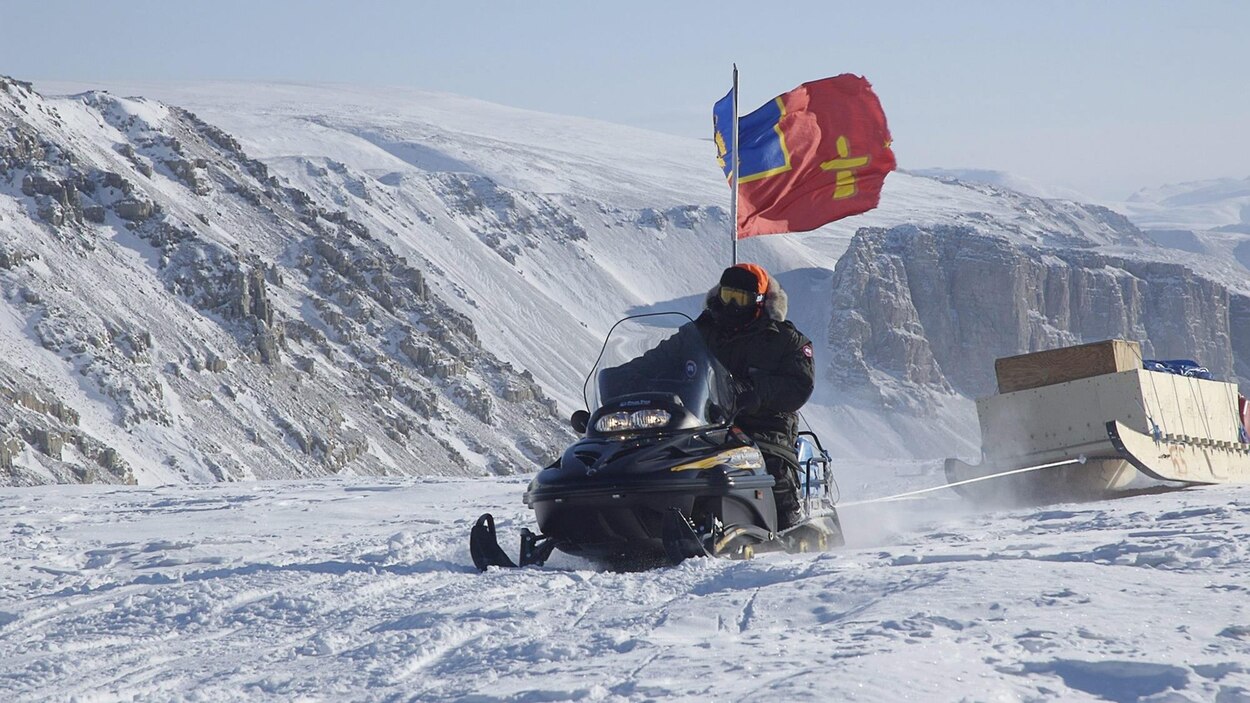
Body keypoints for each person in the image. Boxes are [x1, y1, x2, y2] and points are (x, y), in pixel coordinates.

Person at [694, 263, 815, 530]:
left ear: (759, 302)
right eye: (728, 296)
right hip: (706, 421)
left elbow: (799, 385)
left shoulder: (785, 339)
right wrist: (626, 377)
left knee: (769, 464)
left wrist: (757, 395)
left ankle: (789, 525)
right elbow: (670, 356)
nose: (733, 306)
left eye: (741, 299)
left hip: (765, 423)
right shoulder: (704, 329)